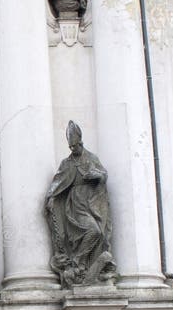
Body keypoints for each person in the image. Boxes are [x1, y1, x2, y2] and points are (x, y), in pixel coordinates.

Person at [45, 121, 118, 288]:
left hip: (92, 201)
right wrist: (50, 197)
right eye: (70, 147)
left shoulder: (91, 158)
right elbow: (58, 182)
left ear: (81, 142)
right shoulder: (67, 163)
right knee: (94, 231)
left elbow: (103, 175)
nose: (73, 149)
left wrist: (97, 176)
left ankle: (83, 263)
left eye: (75, 146)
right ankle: (79, 262)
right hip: (75, 205)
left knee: (98, 232)